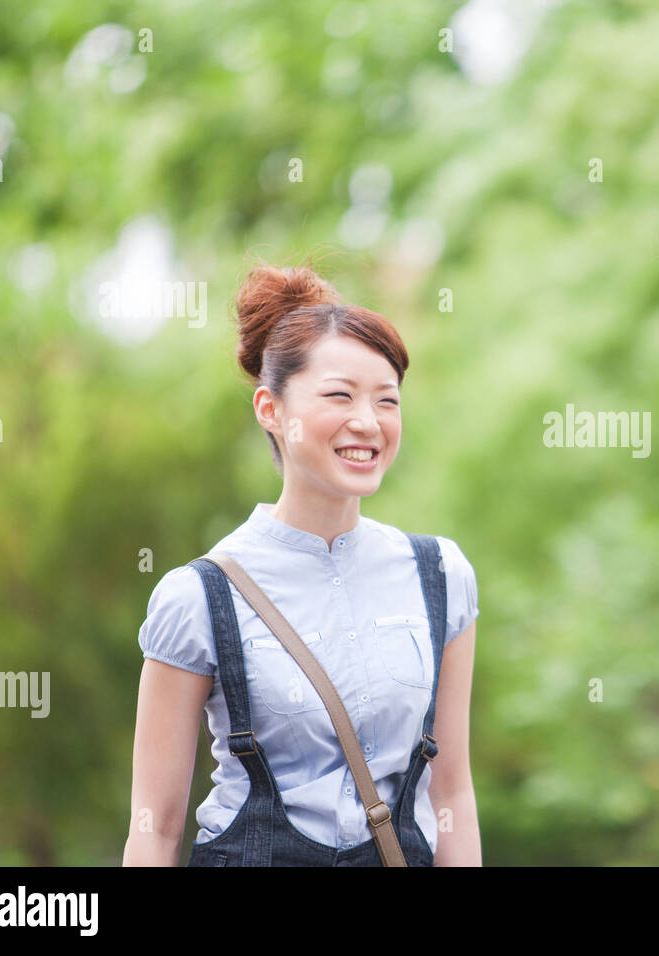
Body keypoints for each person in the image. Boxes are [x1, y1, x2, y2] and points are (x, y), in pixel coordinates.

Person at [123, 263, 481, 866]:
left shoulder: (440, 574)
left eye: (386, 400)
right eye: (340, 395)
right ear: (270, 408)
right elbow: (155, 826)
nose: (368, 422)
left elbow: (453, 793)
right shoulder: (198, 596)